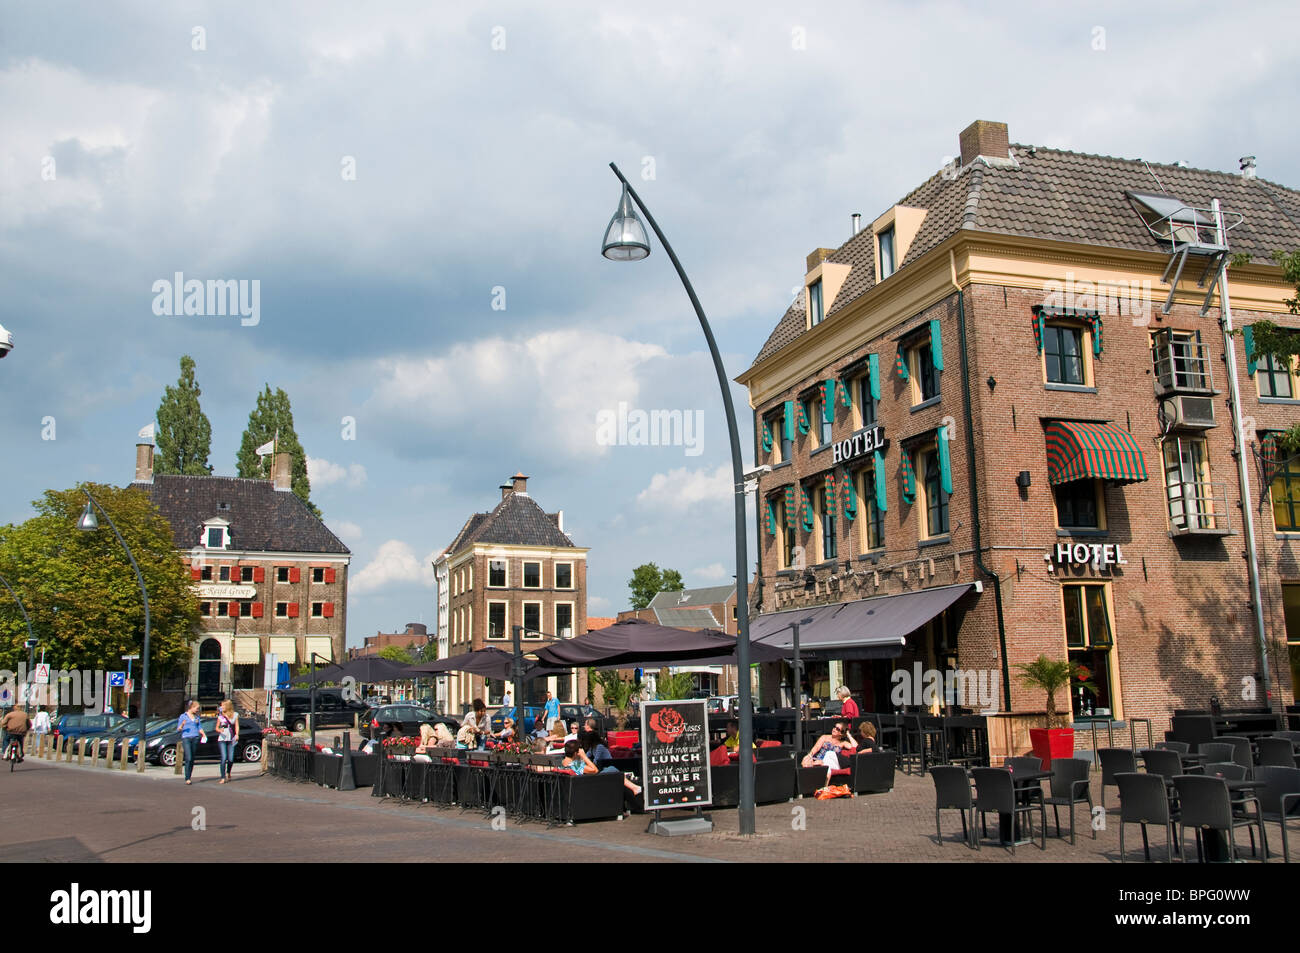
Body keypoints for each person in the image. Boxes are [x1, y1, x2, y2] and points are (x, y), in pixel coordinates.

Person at [560, 740, 641, 796]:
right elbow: (595, 770)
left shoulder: (564, 762)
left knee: (608, 770)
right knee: (612, 769)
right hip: (590, 785)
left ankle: (634, 787)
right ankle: (634, 787)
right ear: (575, 753)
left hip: (583, 783)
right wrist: (584, 756)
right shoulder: (574, 764)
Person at [177, 701, 205, 784]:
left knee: (192, 758)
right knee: (188, 757)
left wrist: (203, 734)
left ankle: (189, 776)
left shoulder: (197, 717)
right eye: (196, 708)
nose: (197, 710)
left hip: (195, 737)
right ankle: (187, 778)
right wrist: (182, 725)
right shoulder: (183, 716)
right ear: (191, 707)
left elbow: (199, 727)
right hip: (186, 738)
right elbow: (178, 729)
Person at [216, 700, 239, 784]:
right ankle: (222, 777)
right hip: (222, 739)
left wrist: (237, 734)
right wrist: (219, 730)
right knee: (223, 758)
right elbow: (216, 727)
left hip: (231, 738)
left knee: (231, 758)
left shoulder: (235, 715)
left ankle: (228, 772)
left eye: (223, 706)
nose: (221, 707)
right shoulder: (220, 716)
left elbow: (236, 725)